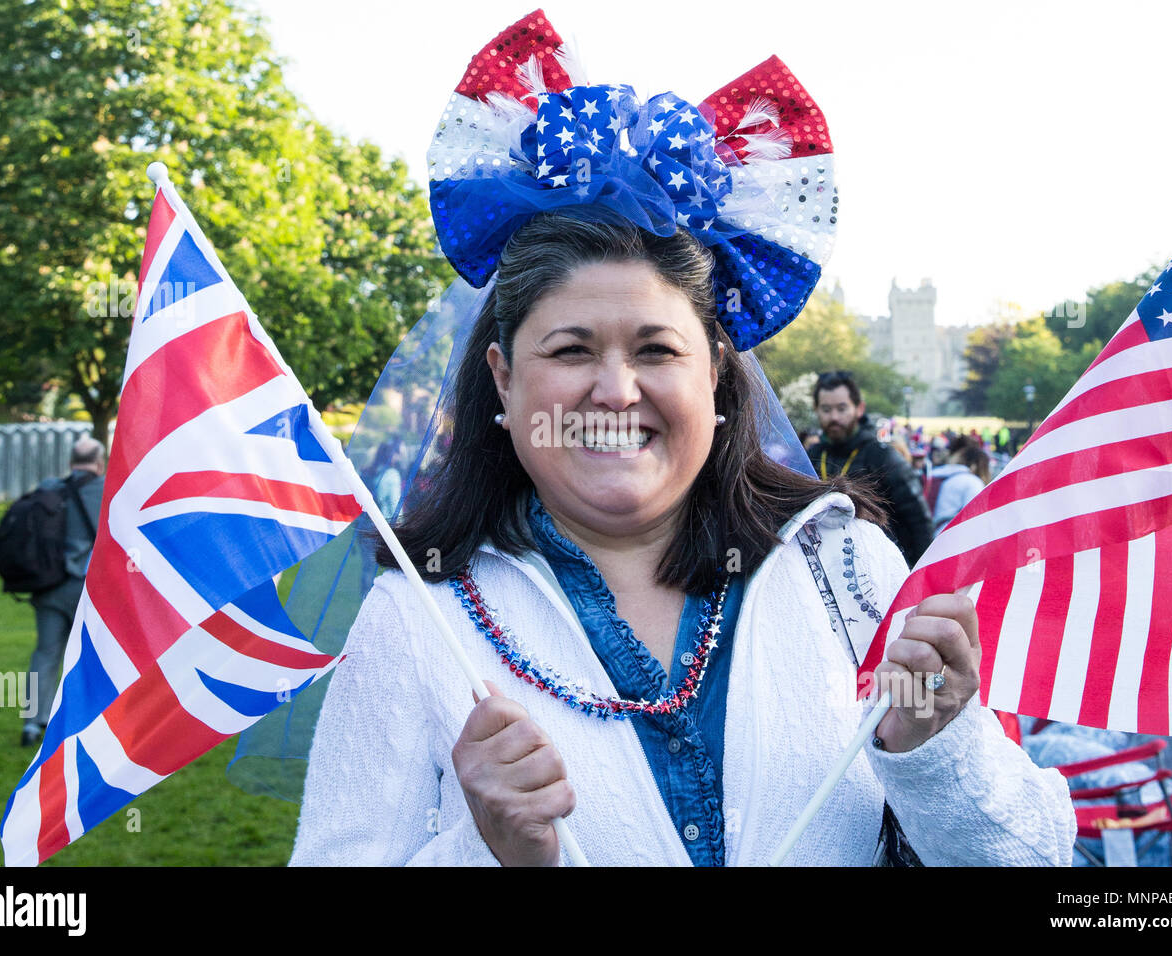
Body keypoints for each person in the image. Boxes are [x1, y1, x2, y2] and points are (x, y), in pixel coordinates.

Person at [289, 12, 1075, 866]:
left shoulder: (847, 571)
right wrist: (488, 853)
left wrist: (935, 749)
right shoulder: (418, 617)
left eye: (658, 349)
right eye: (570, 349)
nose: (616, 390)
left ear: (717, 378)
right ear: (505, 383)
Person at [21, 435, 104, 746]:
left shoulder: (49, 490)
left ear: (71, 463)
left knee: (44, 654)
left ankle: (32, 724)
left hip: (48, 587)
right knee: (90, 656)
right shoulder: (109, 491)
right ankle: (85, 726)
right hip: (87, 590)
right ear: (99, 463)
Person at [808, 371, 935, 565]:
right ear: (816, 409)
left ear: (859, 408)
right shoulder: (811, 457)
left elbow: (918, 521)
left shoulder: (882, 457)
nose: (834, 417)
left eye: (842, 408)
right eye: (826, 409)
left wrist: (921, 575)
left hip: (882, 568)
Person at [927, 435, 989, 535]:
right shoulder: (972, 482)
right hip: (953, 539)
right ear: (975, 465)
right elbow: (976, 520)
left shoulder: (935, 474)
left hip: (928, 537)